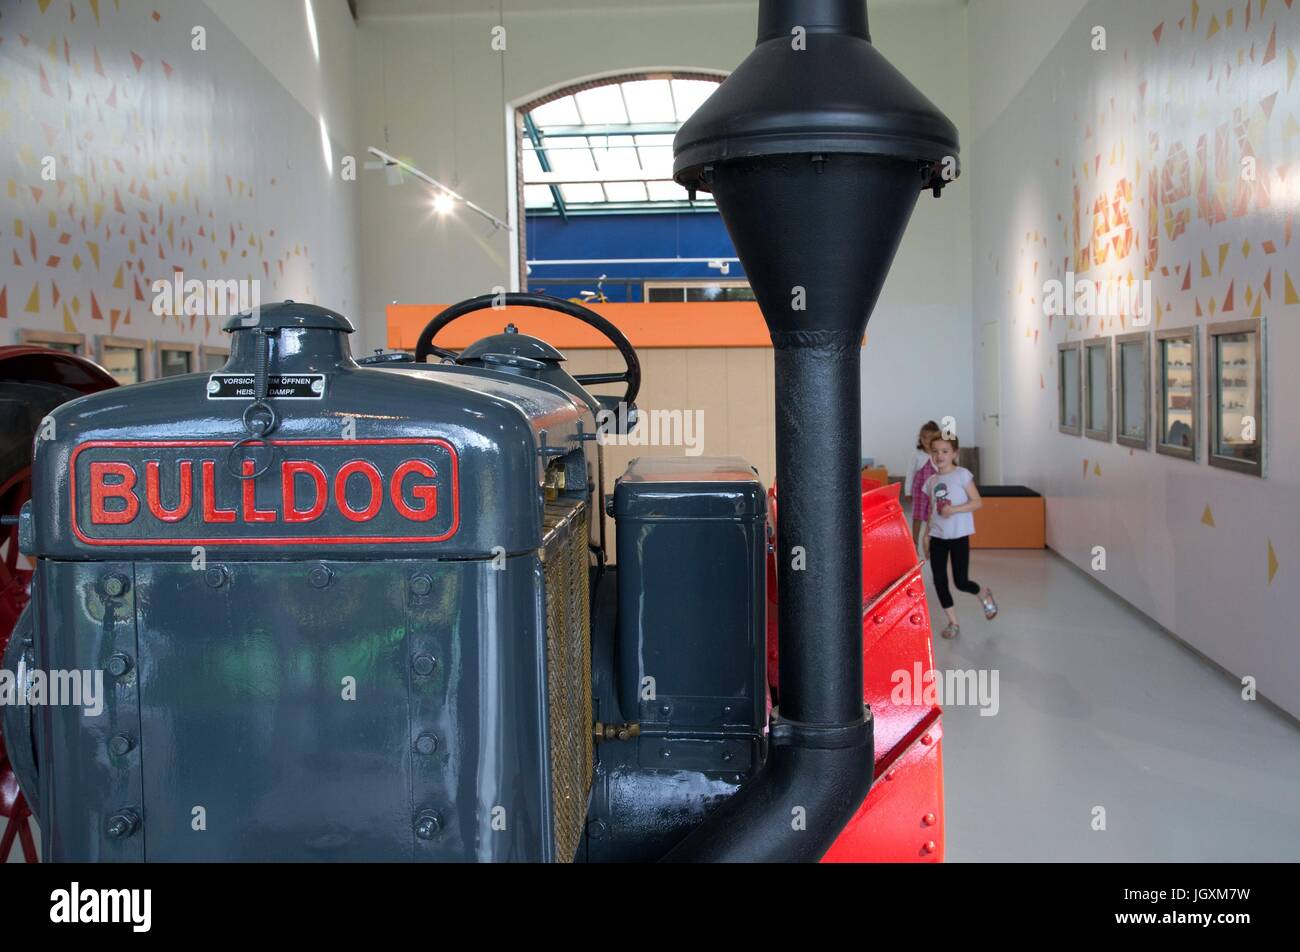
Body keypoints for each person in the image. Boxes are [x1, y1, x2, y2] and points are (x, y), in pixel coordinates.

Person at [921, 434, 998, 639]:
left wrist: (954, 510)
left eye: (945, 451)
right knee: (939, 581)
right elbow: (932, 511)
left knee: (961, 581)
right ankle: (953, 623)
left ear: (954, 453)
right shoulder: (931, 481)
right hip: (937, 537)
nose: (939, 456)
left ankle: (983, 594)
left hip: (959, 536)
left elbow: (977, 502)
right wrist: (926, 536)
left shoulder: (962, 475)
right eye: (935, 451)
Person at [906, 421, 941, 545]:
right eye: (924, 437)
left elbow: (942, 472)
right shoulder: (916, 455)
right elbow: (910, 474)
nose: (927, 441)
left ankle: (932, 540)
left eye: (930, 438)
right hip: (919, 490)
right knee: (917, 516)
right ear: (920, 438)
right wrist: (908, 491)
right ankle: (914, 542)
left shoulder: (938, 454)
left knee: (933, 515)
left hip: (934, 490)